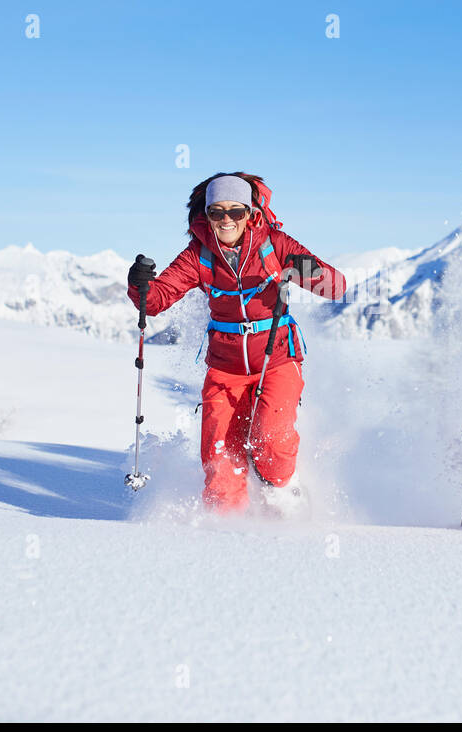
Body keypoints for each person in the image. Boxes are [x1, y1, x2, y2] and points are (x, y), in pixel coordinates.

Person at [127, 173, 346, 515]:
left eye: (235, 211)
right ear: (207, 215)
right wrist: (139, 286)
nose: (226, 220)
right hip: (225, 368)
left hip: (276, 359)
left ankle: (283, 498)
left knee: (271, 438)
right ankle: (224, 532)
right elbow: (155, 301)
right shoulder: (198, 255)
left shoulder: (275, 244)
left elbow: (334, 287)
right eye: (217, 212)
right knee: (219, 458)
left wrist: (303, 270)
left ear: (251, 212)